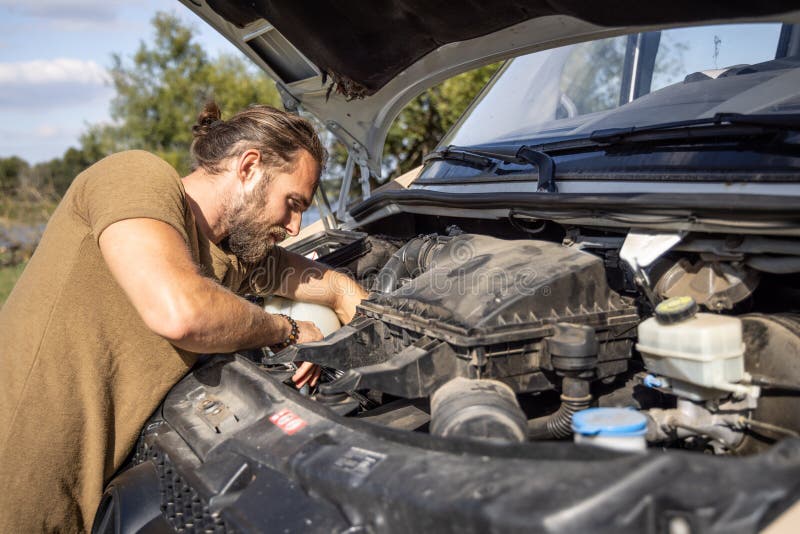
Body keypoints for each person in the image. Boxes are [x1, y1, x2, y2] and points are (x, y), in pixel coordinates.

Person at [0, 102, 368, 532]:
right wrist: (286, 330)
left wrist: (345, 293)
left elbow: (306, 276)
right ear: (249, 166)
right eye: (292, 203)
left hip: (79, 506)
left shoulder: (229, 257)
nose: (294, 225)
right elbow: (181, 312)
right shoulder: (134, 175)